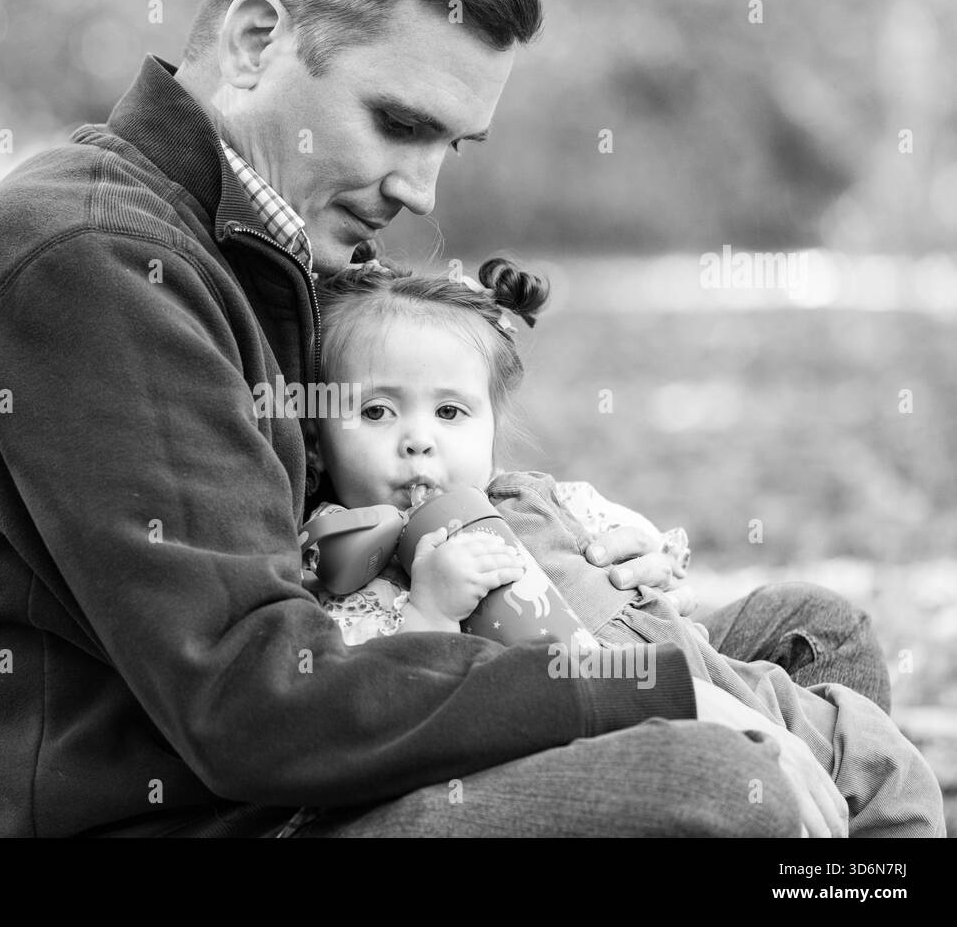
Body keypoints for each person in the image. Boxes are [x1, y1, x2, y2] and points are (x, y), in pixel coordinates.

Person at [0, 0, 880, 837]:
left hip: (323, 755)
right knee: (711, 785)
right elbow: (252, 702)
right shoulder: (93, 262)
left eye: (453, 146)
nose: (423, 190)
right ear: (257, 41)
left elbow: (348, 537)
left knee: (811, 634)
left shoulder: (259, 246)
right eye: (400, 124)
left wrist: (557, 557)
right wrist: (628, 682)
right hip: (199, 810)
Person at [298, 255, 945, 837]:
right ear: (317, 440)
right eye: (377, 412)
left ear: (494, 426)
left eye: (450, 413)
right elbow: (388, 714)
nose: (417, 441)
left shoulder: (528, 497)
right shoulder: (351, 585)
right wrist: (432, 612)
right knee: (746, 782)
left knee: (872, 756)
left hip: (694, 670)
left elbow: (643, 556)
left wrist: (654, 560)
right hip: (593, 734)